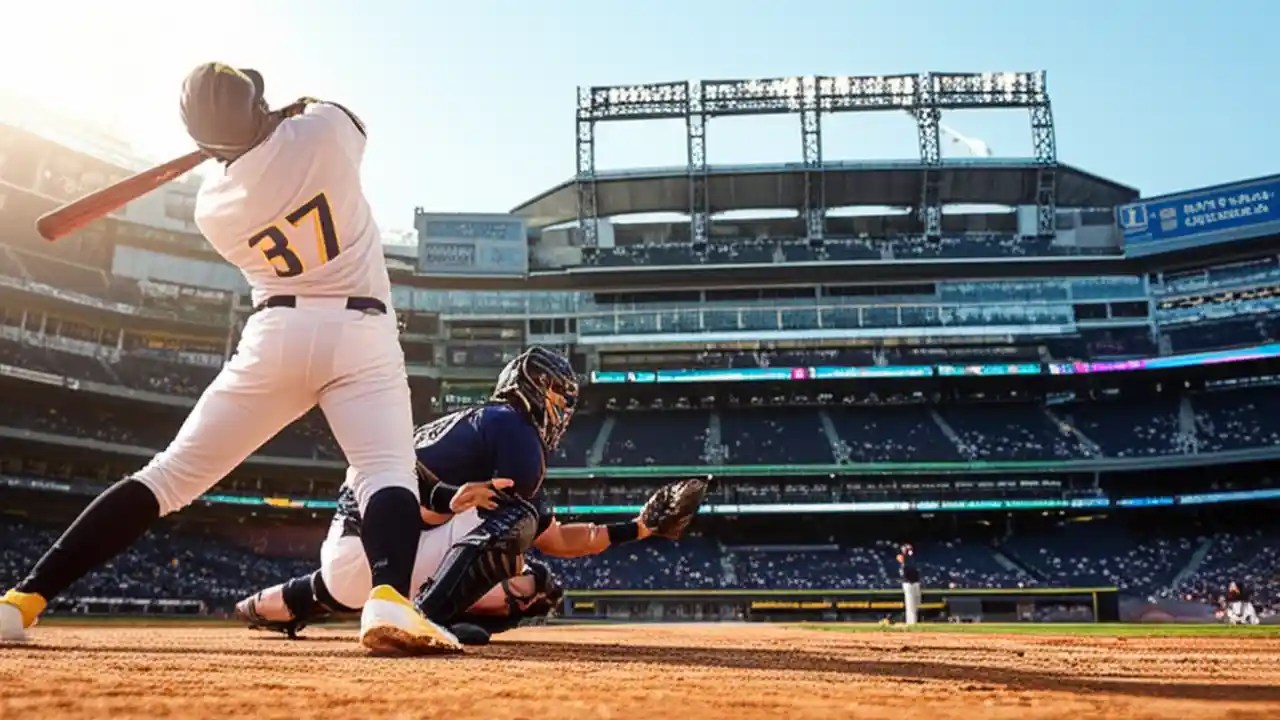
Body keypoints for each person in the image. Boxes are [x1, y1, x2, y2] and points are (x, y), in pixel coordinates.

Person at [0, 63, 449, 655]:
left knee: (167, 477)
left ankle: (20, 602)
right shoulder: (324, 132)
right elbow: (338, 112)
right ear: (257, 105)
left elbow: (256, 156)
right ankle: (389, 601)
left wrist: (236, 137)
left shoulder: (211, 207)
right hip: (361, 330)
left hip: (277, 333)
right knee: (384, 471)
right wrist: (279, 112)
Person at [234, 346, 663, 645]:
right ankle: (430, 618)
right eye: (556, 394)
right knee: (528, 556)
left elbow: (560, 538)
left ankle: (258, 605)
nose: (561, 410)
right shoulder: (515, 427)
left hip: (353, 557)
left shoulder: (470, 427)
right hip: (385, 547)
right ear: (532, 387)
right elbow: (551, 538)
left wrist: (641, 527)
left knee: (336, 586)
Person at [897, 543, 921, 626]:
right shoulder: (904, 559)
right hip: (908, 583)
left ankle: (914, 621)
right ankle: (911, 623)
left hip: (915, 582)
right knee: (910, 604)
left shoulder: (912, 558)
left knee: (916, 603)